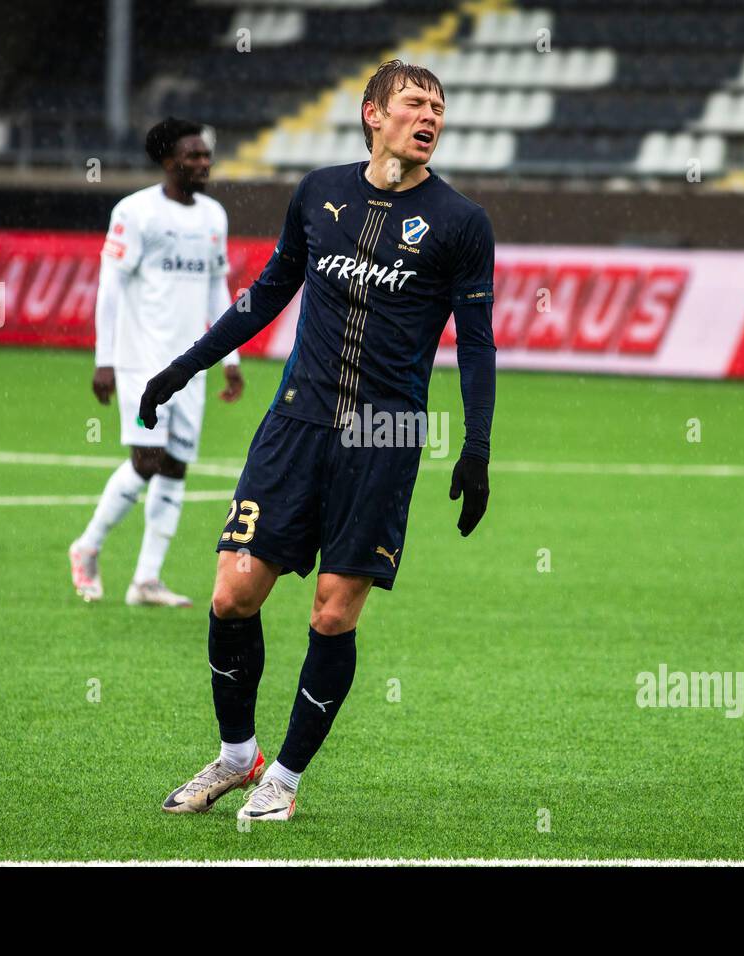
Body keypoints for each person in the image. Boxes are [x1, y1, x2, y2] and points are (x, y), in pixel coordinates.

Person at [144, 61, 496, 822]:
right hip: (296, 422)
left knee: (333, 615)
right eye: (414, 103)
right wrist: (181, 369)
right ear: (373, 113)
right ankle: (239, 757)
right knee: (233, 592)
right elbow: (266, 294)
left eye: (439, 107)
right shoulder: (318, 193)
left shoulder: (462, 223)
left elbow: (476, 343)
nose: (429, 115)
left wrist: (477, 448)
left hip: (385, 433)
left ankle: (288, 778)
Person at [68, 117, 245, 607]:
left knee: (175, 466)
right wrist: (104, 358)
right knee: (145, 461)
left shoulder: (213, 215)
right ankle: (87, 546)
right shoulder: (135, 211)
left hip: (190, 366)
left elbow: (216, 287)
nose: (204, 163)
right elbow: (111, 286)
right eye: (193, 156)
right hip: (139, 360)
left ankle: (146, 579)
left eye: (207, 155)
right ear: (169, 161)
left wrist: (229, 356)